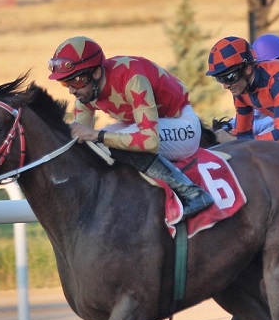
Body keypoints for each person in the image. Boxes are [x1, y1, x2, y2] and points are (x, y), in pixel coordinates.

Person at [47, 35, 213, 217]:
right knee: (93, 145)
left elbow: (150, 141)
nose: (72, 90)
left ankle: (193, 193)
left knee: (109, 141)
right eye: (65, 82)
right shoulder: (86, 92)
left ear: (96, 73)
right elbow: (79, 139)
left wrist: (97, 135)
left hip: (183, 126)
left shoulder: (132, 77)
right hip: (149, 125)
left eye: (76, 81)